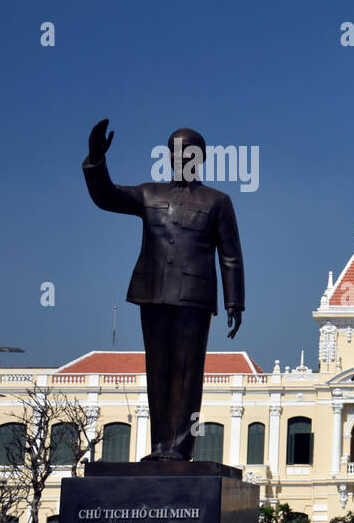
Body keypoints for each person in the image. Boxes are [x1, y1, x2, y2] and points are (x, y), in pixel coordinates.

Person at [82, 119, 245, 461]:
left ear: (200, 157)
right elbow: (106, 196)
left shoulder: (217, 201)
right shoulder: (148, 194)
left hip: (194, 298)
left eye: (186, 152)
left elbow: (230, 254)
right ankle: (159, 447)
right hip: (152, 292)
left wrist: (235, 302)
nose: (179, 157)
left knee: (188, 372)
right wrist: (96, 160)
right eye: (174, 152)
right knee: (157, 371)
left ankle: (180, 447)